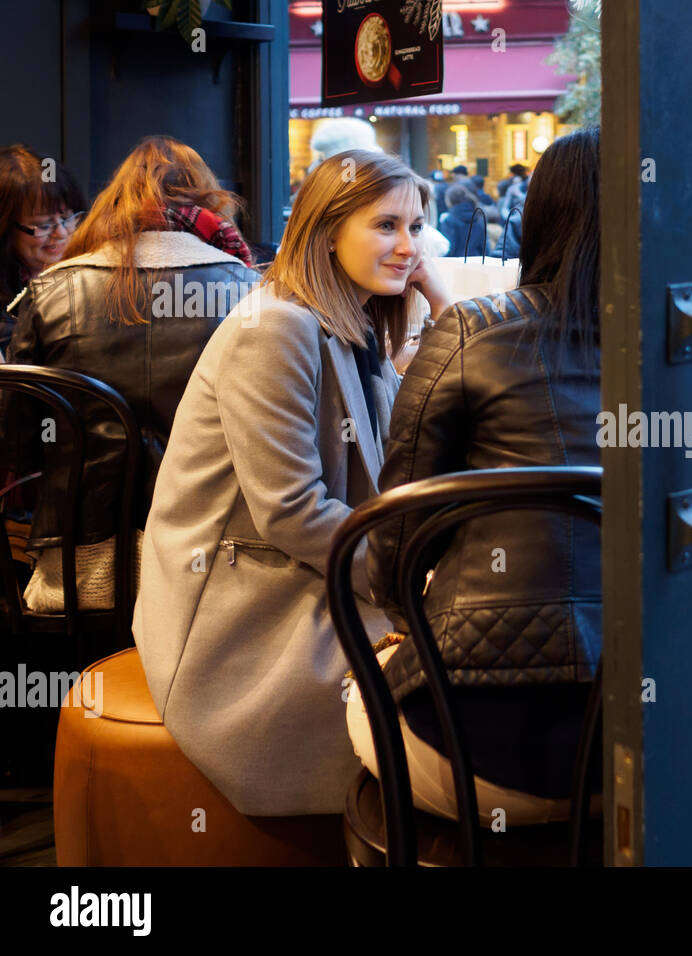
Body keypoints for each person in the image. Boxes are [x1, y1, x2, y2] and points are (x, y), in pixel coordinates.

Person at [351, 127, 692, 822]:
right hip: (650, 756)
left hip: (468, 750)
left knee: (357, 697)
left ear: (540, 217)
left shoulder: (469, 332)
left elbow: (397, 545)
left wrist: (416, 619)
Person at [133, 149, 451, 817]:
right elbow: (292, 511)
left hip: (301, 573)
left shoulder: (349, 323)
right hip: (242, 610)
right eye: (386, 225)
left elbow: (403, 458)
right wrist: (408, 581)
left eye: (416, 228)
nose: (407, 246)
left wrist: (439, 304)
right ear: (327, 228)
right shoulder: (275, 327)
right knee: (442, 674)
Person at [2, 136, 259, 613]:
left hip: (80, 566)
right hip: (214, 564)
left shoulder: (51, 290)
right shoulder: (250, 289)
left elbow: (18, 443)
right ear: (208, 201)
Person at [0, 146, 86, 354]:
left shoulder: (93, 277)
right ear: (5, 229)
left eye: (67, 218)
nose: (62, 233)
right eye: (43, 225)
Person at [438, 182, 488, 258]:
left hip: (455, 265)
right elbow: (484, 247)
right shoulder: (479, 217)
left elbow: (448, 248)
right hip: (476, 263)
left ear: (449, 200)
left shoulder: (449, 220)